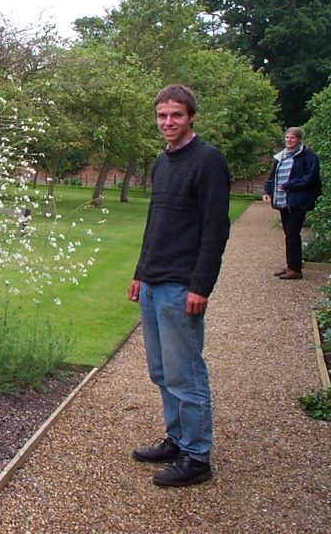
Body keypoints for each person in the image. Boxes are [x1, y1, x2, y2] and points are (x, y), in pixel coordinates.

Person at [127, 84, 230, 488]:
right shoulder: (162, 161)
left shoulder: (208, 161)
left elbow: (215, 229)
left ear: (191, 117)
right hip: (153, 282)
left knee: (185, 373)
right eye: (162, 116)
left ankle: (197, 456)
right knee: (161, 371)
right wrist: (140, 272)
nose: (168, 122)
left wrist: (200, 285)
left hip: (180, 285)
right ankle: (178, 439)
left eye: (176, 115)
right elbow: (156, 222)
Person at [263, 127, 321, 280]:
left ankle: (295, 270)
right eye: (287, 137)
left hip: (298, 200)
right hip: (283, 201)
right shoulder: (281, 156)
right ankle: (291, 265)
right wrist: (267, 191)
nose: (289, 140)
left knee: (292, 233)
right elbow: (272, 177)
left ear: (299, 140)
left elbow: (310, 177)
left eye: (292, 138)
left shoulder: (308, 156)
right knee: (289, 234)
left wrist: (289, 185)